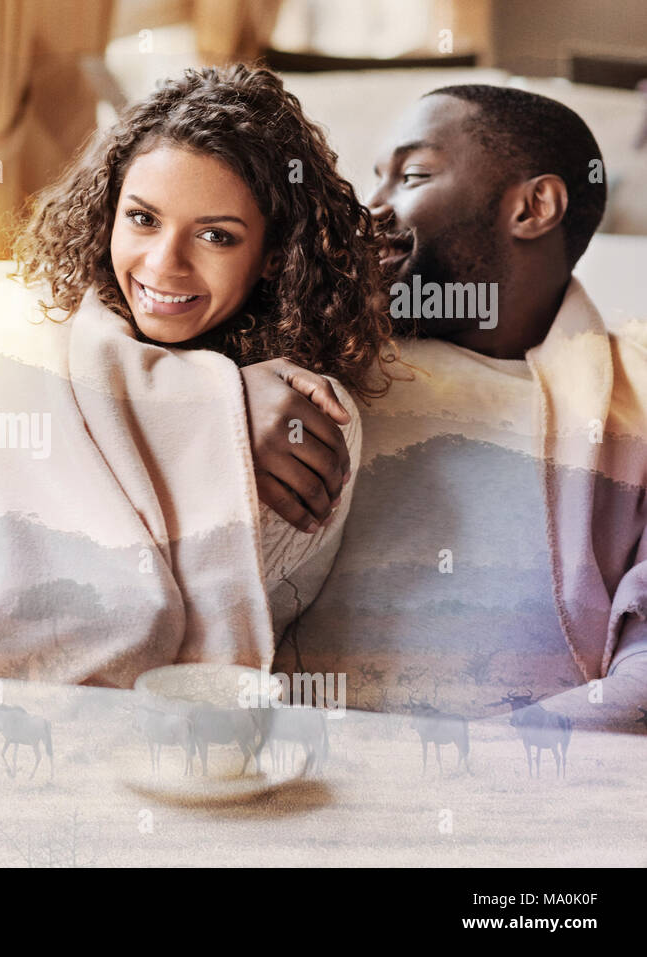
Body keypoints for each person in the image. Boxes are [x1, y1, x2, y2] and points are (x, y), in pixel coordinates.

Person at [0, 65, 401, 686]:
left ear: (275, 254)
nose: (163, 265)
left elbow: (212, 609)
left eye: (216, 236)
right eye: (143, 219)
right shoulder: (48, 321)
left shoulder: (301, 416)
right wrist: (211, 406)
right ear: (110, 212)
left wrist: (215, 410)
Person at [244, 84, 647, 729]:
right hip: (285, 766)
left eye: (412, 175)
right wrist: (230, 398)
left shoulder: (633, 403)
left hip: (522, 793)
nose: (371, 209)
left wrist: (484, 772)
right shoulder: (296, 354)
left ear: (534, 206)